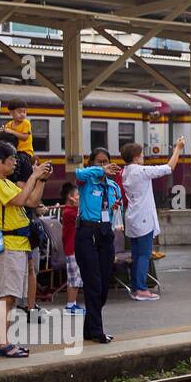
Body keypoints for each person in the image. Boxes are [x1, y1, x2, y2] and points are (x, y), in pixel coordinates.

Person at [0, 141, 52, 357]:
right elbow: (22, 199)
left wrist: (41, 180)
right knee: (6, 296)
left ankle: (6, 342)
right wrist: (33, 175)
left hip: (18, 246)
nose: (15, 163)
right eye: (11, 159)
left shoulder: (5, 182)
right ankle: (2, 344)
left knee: (11, 297)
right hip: (7, 246)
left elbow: (31, 201)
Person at [121, 137, 185, 301]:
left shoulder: (125, 171)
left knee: (136, 255)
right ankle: (142, 289)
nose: (143, 157)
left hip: (132, 217)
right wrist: (178, 147)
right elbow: (169, 167)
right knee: (144, 254)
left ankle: (136, 287)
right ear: (136, 157)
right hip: (143, 218)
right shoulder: (140, 171)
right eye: (141, 154)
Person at [75, 147, 122, 344]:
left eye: (106, 162)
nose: (103, 165)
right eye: (99, 162)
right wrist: (100, 171)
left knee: (102, 285)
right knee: (93, 283)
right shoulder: (86, 180)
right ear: (92, 164)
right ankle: (97, 331)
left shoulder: (113, 187)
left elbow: (114, 209)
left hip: (105, 233)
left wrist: (113, 209)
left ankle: (88, 328)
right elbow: (77, 172)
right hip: (87, 233)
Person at [58, 182, 84, 315]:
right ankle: (70, 304)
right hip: (72, 249)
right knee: (74, 278)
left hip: (75, 248)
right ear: (70, 197)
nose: (81, 197)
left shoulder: (72, 211)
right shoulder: (69, 212)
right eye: (78, 195)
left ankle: (72, 304)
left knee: (75, 277)